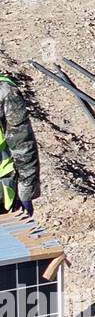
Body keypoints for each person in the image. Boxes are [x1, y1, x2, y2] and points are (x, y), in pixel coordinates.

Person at [0, 72, 40, 217]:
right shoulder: (4, 90)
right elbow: (23, 145)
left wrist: (26, 193)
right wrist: (26, 194)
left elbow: (22, 144)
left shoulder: (4, 91)